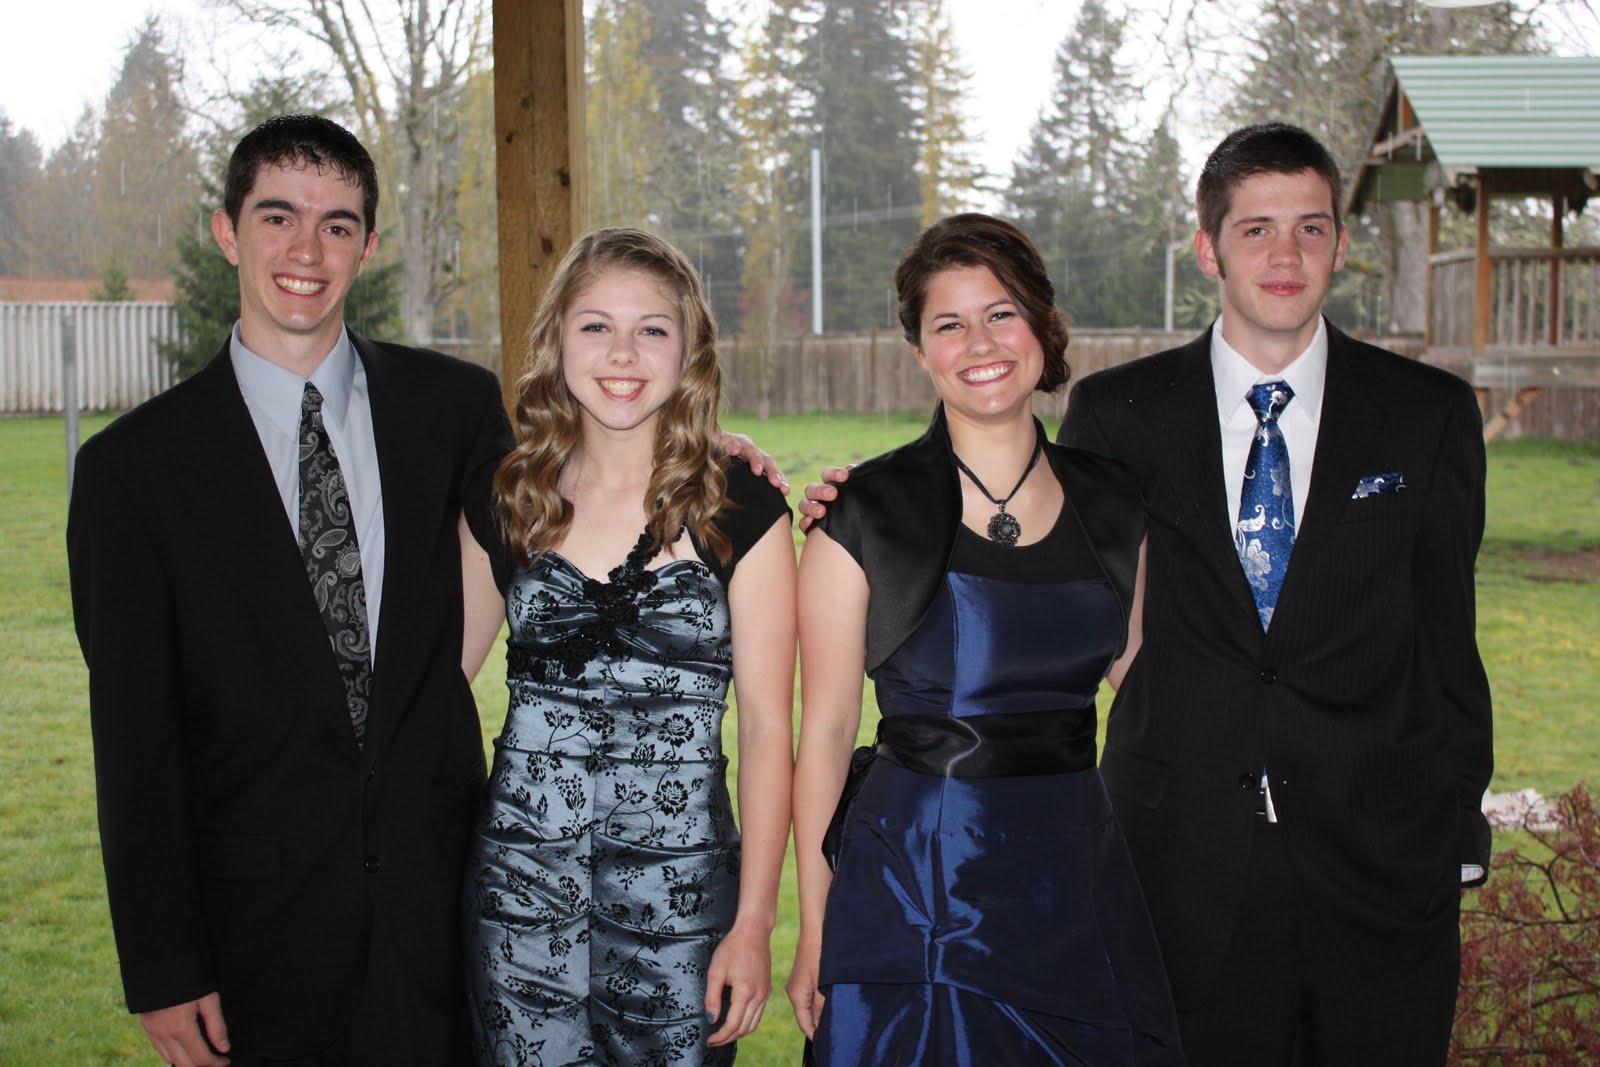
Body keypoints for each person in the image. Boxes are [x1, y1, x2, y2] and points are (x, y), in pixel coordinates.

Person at [66, 114, 514, 1066]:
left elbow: (571, 513)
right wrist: (162, 963)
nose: (307, 250)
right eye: (279, 217)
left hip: (446, 918)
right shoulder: (132, 473)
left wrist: (701, 457)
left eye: (338, 224)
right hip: (254, 945)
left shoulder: (456, 410)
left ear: (369, 246)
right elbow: (134, 740)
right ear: (228, 232)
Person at [1058, 124, 1492, 1064]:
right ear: (1209, 247)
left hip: (1380, 868)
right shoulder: (1115, 414)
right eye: (1256, 229)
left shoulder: (1428, 414)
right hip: (1179, 861)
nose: (1286, 255)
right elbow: (1022, 546)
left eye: (1310, 227)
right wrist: (880, 494)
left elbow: (1448, 640)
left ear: (1340, 242)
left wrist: (1459, 827)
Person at [787, 213, 1183, 1065]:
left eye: (1000, 312)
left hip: (1076, 880)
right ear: (921, 349)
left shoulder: (1115, 506)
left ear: (1042, 321)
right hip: (920, 889)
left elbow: (1147, 686)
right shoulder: (863, 516)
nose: (980, 342)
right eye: (949, 323)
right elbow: (821, 734)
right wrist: (818, 928)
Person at [460, 228, 796, 1066]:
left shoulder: (742, 505)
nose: (623, 352)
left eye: (652, 328)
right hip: (518, 893)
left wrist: (753, 921)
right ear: (557, 341)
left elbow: (766, 731)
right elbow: (433, 688)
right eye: (595, 325)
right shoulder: (508, 498)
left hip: (680, 905)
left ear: (689, 350)